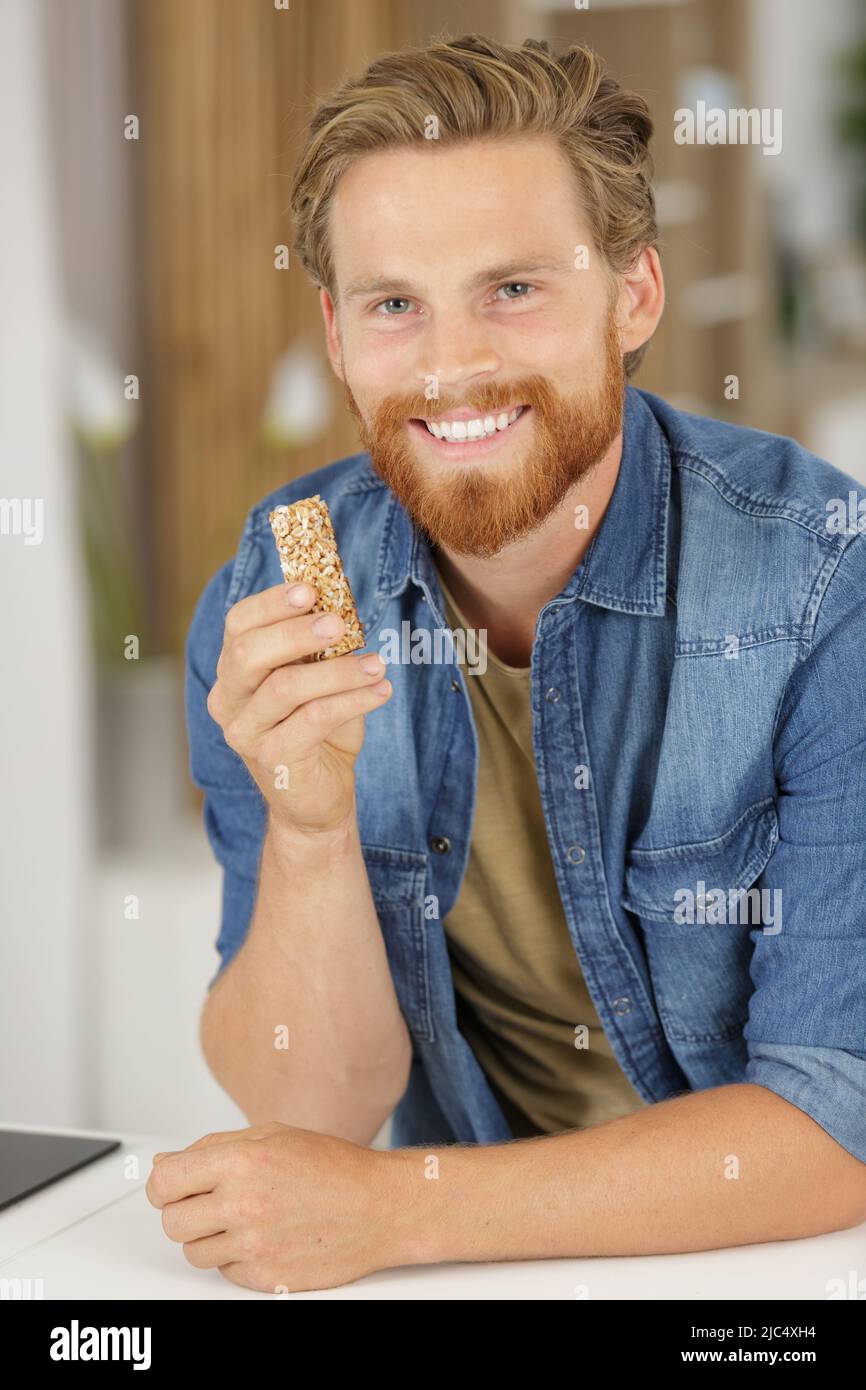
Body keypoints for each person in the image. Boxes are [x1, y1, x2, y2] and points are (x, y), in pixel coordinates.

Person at [147, 34, 866, 1293]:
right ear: (333, 329)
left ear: (633, 294)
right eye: (393, 304)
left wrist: (396, 1213)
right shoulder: (269, 600)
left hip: (766, 1280)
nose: (448, 364)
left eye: (512, 288)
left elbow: (834, 1120)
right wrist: (311, 829)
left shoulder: (823, 587)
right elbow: (310, 1106)